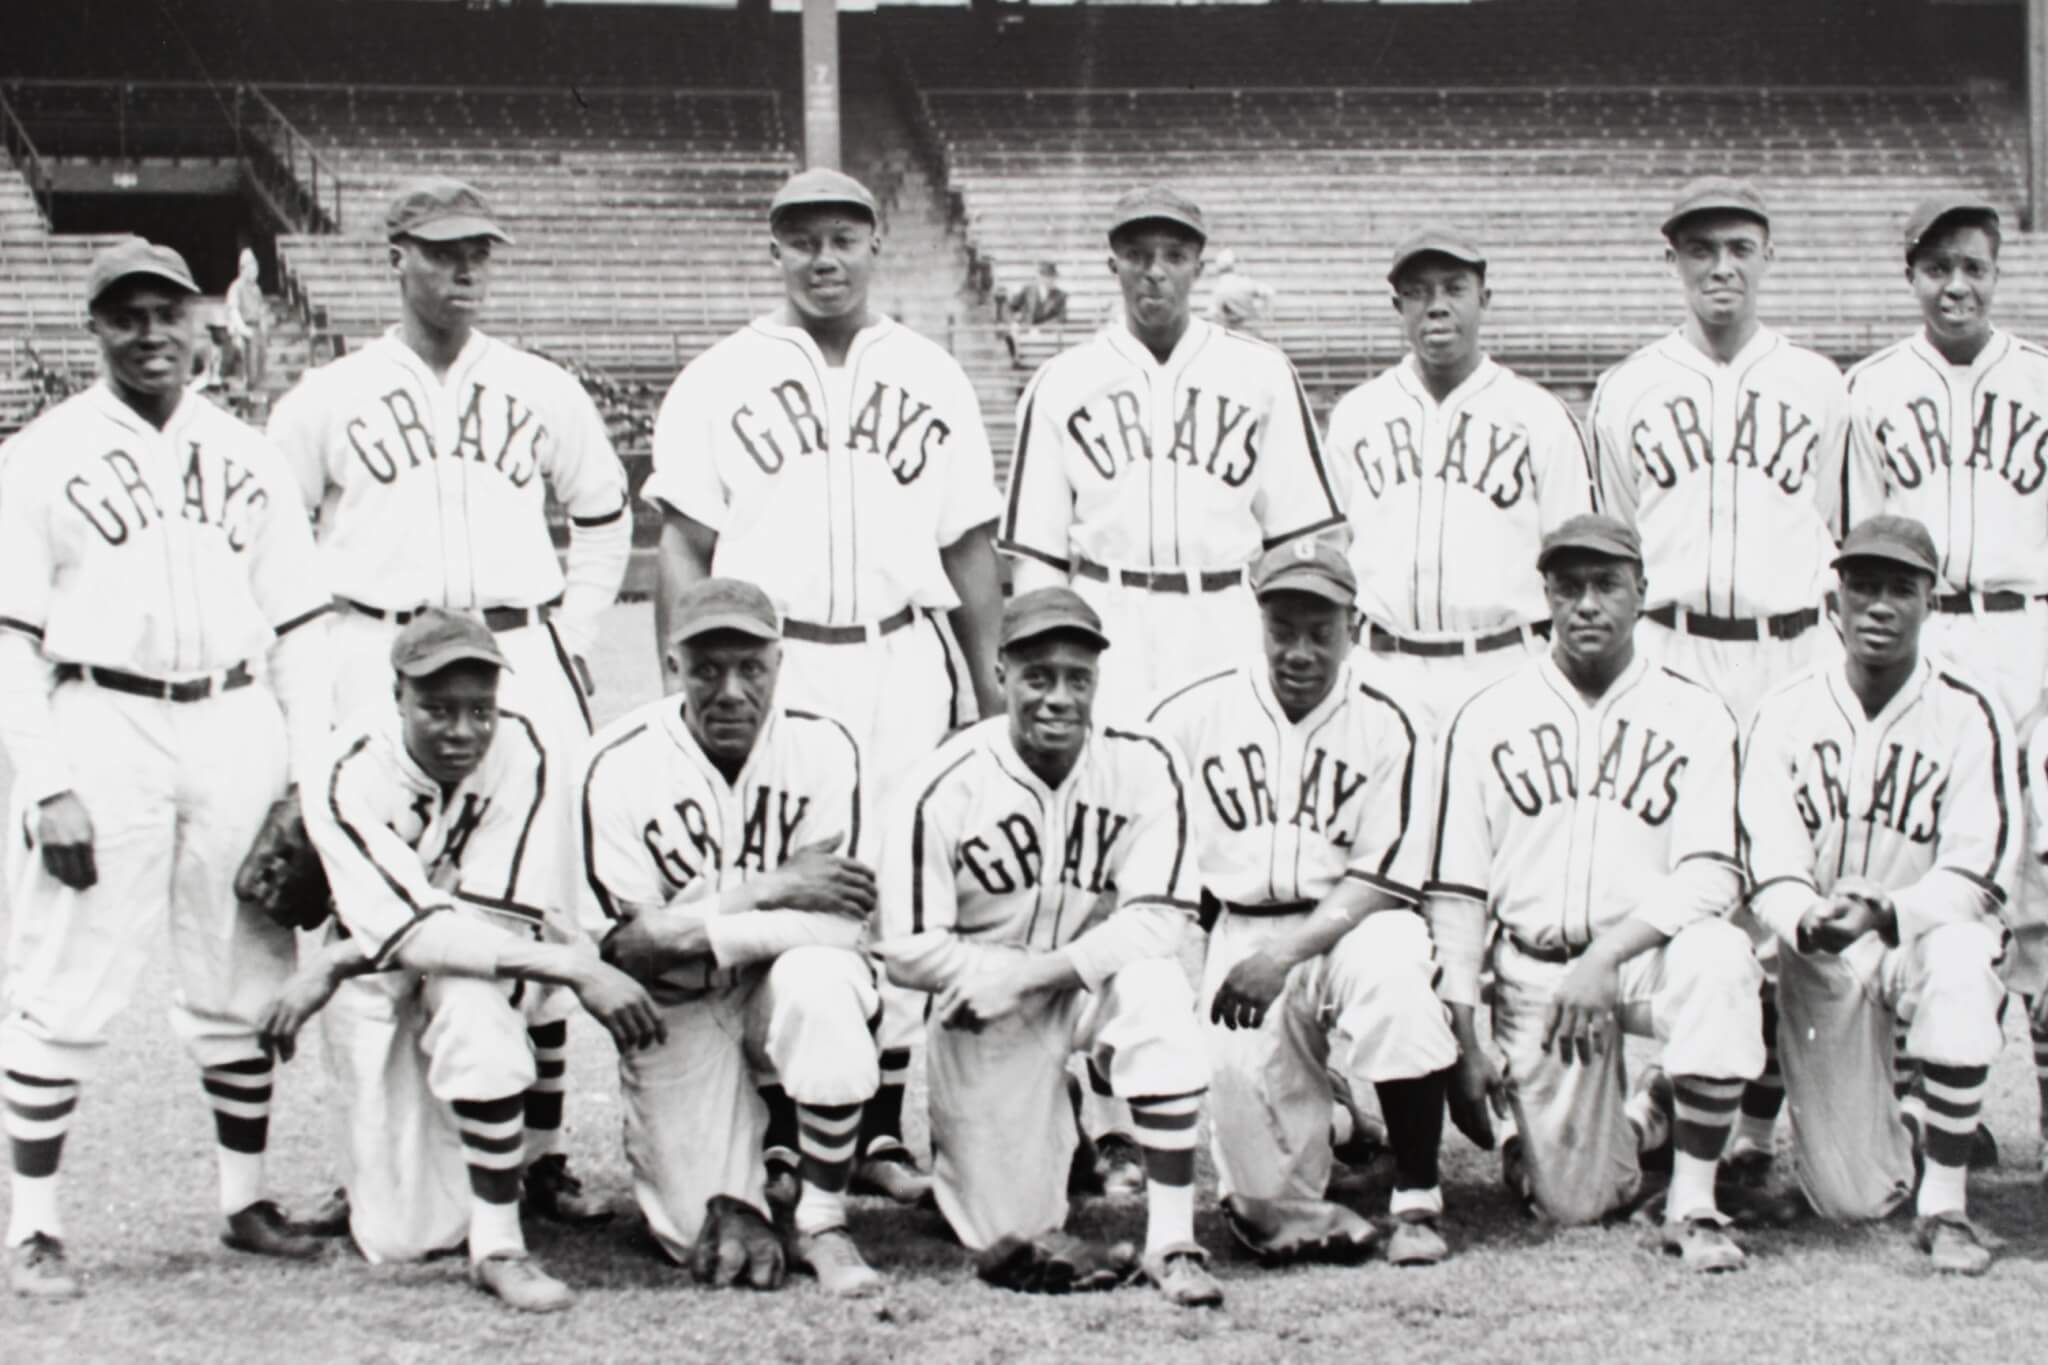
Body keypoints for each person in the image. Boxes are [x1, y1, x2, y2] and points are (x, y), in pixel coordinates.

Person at [268, 176, 631, 1229]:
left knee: (540, 892)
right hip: (377, 650)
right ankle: (368, 1166)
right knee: (368, 909)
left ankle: (544, 1154)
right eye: (441, 250)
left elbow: (603, 515)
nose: (464, 268)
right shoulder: (327, 395)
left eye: (478, 251)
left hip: (515, 646)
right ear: (395, 256)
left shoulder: (538, 386)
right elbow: (276, 543)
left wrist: (569, 629)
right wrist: (312, 674)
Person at [646, 167, 1006, 1203]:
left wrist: (988, 695)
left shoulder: (929, 371)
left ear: (874, 242)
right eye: (801, 239)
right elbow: (684, 541)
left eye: (842, 237)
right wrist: (688, 680)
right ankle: (777, 1120)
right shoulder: (720, 374)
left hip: (900, 654)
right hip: (773, 660)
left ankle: (880, 1125)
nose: (823, 258)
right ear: (774, 250)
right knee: (783, 877)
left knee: (895, 881)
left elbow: (970, 544)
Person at [0, 238, 335, 1297]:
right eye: (126, 315)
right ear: (93, 327)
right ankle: (34, 1226)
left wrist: (308, 776)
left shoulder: (249, 452)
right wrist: (46, 782)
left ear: (203, 325)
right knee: (67, 975)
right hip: (101, 716)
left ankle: (242, 1202)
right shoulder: (38, 454)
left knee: (242, 967)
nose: (150, 335)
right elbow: (9, 636)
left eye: (167, 314)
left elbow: (303, 627)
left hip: (236, 717)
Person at [292, 609, 665, 1310]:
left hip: (470, 957)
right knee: (402, 1236)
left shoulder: (525, 744)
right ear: (396, 692)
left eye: (479, 709)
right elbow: (405, 933)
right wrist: (581, 968)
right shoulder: (343, 767)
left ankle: (499, 1241)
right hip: (373, 970)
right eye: (437, 708)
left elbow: (493, 925)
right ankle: (384, 1180)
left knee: (473, 997)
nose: (463, 731)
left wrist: (375, 939)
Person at [1589, 176, 1849, 1170]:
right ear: (1672, 263)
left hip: (1789, 648)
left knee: (1786, 881)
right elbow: (1612, 535)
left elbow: (1833, 518)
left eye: (1736, 246)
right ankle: (1656, 1093)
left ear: (1765, 255)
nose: (1719, 266)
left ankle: (1751, 1126)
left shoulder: (1821, 384)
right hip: (1671, 646)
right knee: (1664, 874)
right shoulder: (1625, 386)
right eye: (1698, 250)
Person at [873, 587, 1223, 1308]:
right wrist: (1001, 977)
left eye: (1077, 677)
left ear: (1097, 680)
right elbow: (905, 948)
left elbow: (1162, 918)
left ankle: (1172, 1239)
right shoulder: (942, 782)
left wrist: (1033, 975)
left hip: (1090, 974)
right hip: (984, 993)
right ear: (1000, 674)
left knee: (1157, 990)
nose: (1058, 696)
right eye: (1037, 676)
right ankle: (1048, 1121)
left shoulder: (1146, 759)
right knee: (1007, 1231)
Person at [1430, 514, 1762, 1268]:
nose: (1587, 604)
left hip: (1645, 958)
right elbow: (1456, 893)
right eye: (1569, 586)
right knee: (1577, 1205)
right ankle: (1652, 1111)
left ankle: (1694, 1201)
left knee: (1721, 956)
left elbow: (1714, 872)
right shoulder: (1487, 717)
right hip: (1538, 969)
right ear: (1544, 594)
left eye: (1606, 584)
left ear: (1641, 593)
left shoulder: (1698, 712)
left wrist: (1607, 956)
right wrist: (1464, 1036)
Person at [1148, 541, 1459, 1267]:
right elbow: (1152, 840)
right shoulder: (1191, 711)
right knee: (1263, 1202)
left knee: (1396, 979)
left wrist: (1285, 956)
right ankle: (1345, 1125)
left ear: (1354, 625)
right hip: (1242, 925)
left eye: (1321, 631)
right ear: (1257, 618)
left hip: (1355, 922)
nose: (1300, 649)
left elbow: (1386, 879)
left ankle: (1417, 1198)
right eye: (1283, 628)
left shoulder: (1396, 717)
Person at [577, 578, 890, 1298]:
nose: (730, 689)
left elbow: (843, 922)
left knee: (824, 978)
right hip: (675, 1011)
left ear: (779, 664)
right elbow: (628, 949)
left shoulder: (826, 746)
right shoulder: (615, 761)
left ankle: (821, 1217)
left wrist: (690, 926)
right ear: (671, 666)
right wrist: (768, 889)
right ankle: (760, 1162)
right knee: (701, 1231)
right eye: (707, 667)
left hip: (776, 987)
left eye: (750, 667)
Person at [1738, 515, 2014, 1275]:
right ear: (1836, 599)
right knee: (1856, 1197)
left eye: (1901, 588)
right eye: (1863, 586)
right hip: (1825, 953)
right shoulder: (1784, 707)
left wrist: (1891, 910)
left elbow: (1984, 868)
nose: (1880, 606)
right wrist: (1805, 912)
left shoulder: (1970, 709)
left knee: (1965, 955)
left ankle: (1947, 1205)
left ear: (1933, 601)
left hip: (1920, 940)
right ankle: (1912, 1126)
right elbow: (1765, 853)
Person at [1844, 195, 2048, 1168]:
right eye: (1935, 268)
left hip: (2031, 634)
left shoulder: (2042, 380)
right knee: (1917, 876)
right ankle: (1915, 1126)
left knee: (2042, 886)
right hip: (1925, 644)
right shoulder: (1870, 389)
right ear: (1909, 275)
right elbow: (1847, 546)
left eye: (1970, 266)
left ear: (1995, 267)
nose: (1955, 285)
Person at [1000, 185, 1344, 729]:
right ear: (1113, 264)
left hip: (1225, 609)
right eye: (1138, 255)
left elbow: (1302, 539)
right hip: (1105, 615)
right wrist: (1052, 655)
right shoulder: (1062, 381)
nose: (1155, 271)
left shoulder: (1263, 373)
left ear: (1198, 267)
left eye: (1174, 256)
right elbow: (1037, 558)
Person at [1325, 225, 1596, 730]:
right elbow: (1331, 554)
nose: (1436, 305)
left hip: (1504, 665)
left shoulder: (1537, 415)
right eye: (1417, 292)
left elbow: (1575, 561)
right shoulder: (1357, 414)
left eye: (1454, 289)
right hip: (1382, 667)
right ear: (1398, 307)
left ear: (1483, 299)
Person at [1003, 260, 1068, 363]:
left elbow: (1062, 317)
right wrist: (1014, 320)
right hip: (1026, 327)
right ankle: (1016, 360)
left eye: (1053, 277)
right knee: (1013, 330)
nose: (1051, 280)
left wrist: (1042, 328)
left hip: (1047, 331)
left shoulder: (1060, 295)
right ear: (1040, 277)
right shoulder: (1028, 290)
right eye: (1048, 277)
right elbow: (1010, 307)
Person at [224, 247, 268, 396]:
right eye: (251, 267)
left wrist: (263, 328)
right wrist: (243, 329)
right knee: (249, 361)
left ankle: (257, 391)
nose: (255, 271)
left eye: (256, 267)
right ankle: (248, 389)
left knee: (261, 359)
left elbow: (260, 310)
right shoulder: (236, 287)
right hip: (243, 330)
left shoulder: (256, 289)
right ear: (243, 269)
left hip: (256, 329)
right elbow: (233, 311)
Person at [1208, 248, 1274, 338]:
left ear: (1218, 268)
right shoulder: (1245, 283)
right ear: (1233, 266)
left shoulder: (1219, 290)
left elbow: (1213, 314)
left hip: (1233, 336)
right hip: (1252, 333)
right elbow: (1269, 291)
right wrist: (1265, 312)